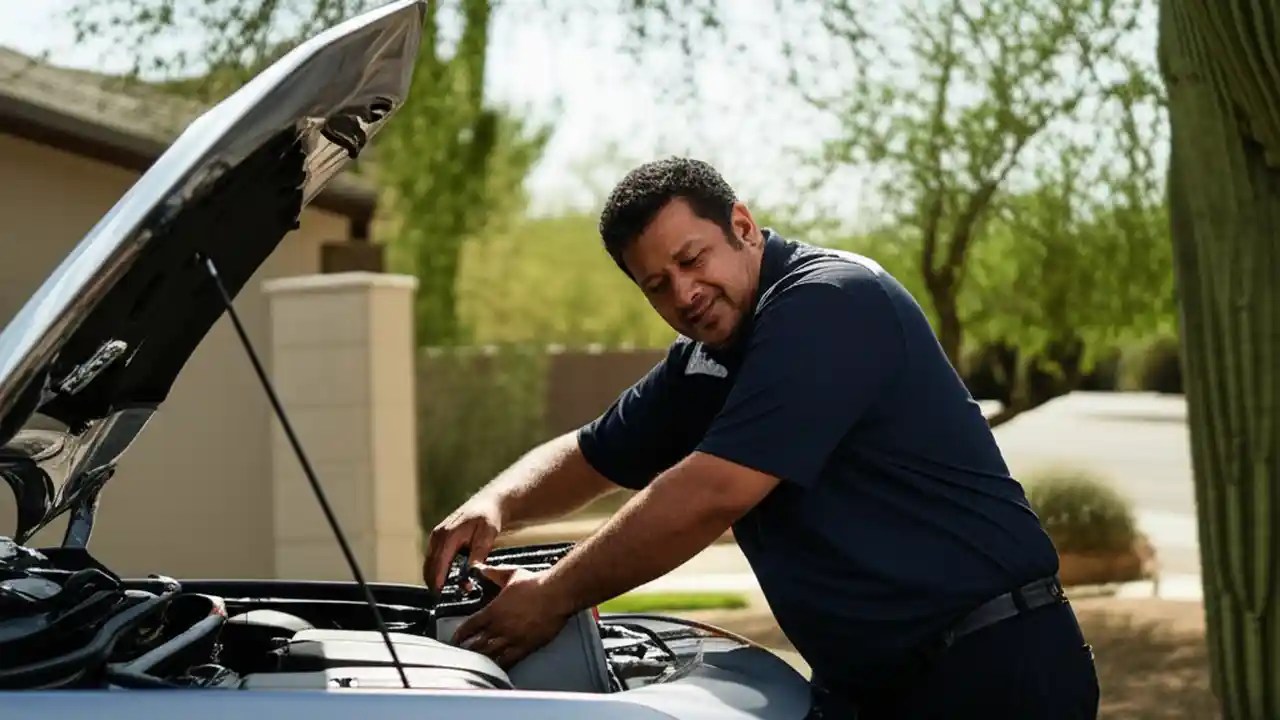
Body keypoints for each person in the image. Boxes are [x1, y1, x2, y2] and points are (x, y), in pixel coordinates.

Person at [421, 157, 1100, 718]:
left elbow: (712, 492)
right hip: (869, 690)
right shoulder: (706, 358)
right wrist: (496, 505)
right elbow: (595, 451)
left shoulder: (829, 303)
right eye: (658, 284)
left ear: (742, 225)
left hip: (992, 671)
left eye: (694, 259)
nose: (685, 294)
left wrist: (554, 595)